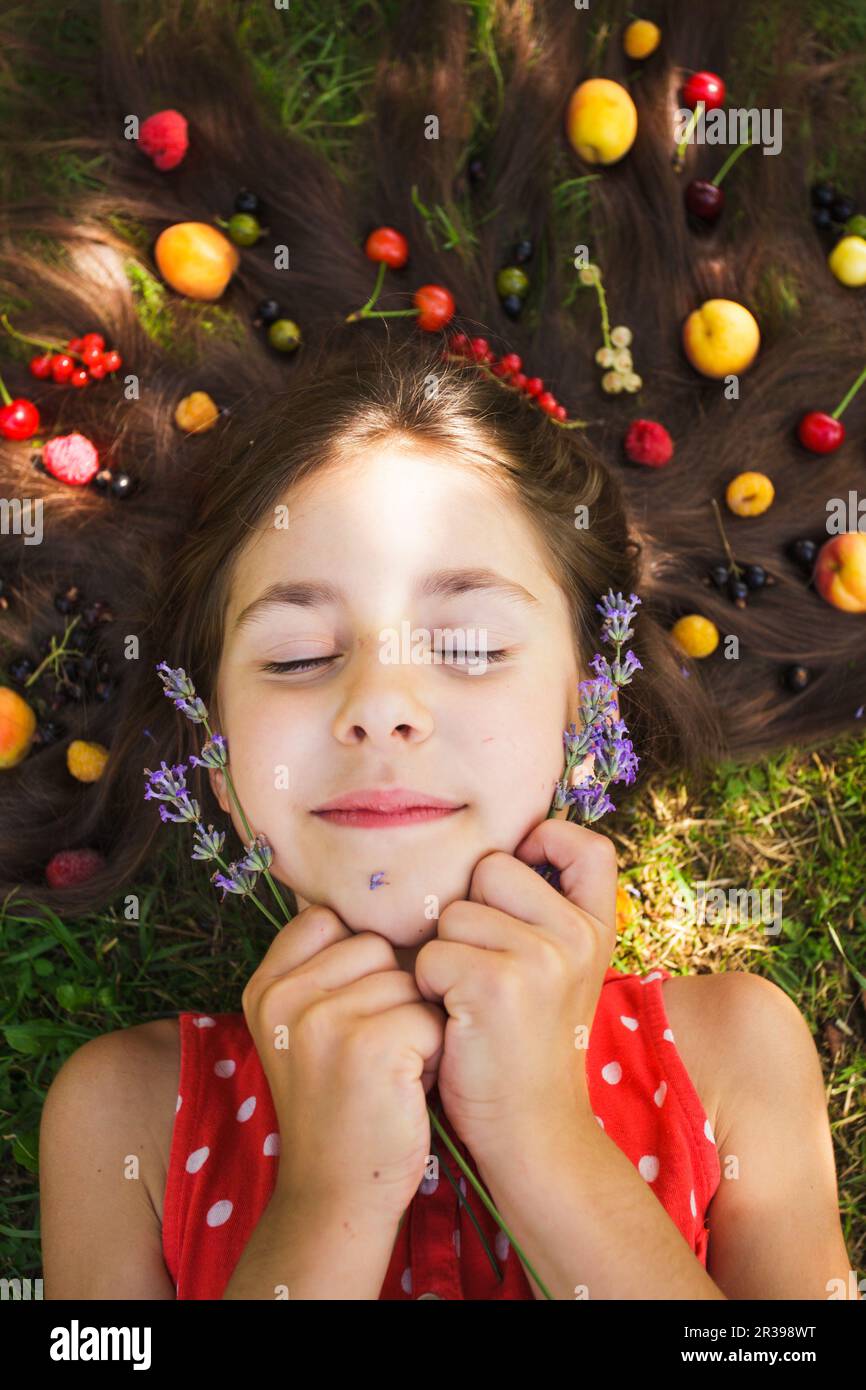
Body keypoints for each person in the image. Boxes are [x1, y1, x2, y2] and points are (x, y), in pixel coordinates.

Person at [1, 0, 859, 1300]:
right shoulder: (121, 1115)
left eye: (464, 640)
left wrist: (545, 1141)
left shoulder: (734, 1048)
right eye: (295, 656)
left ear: (583, 717)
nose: (381, 705)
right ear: (220, 764)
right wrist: (325, 1202)